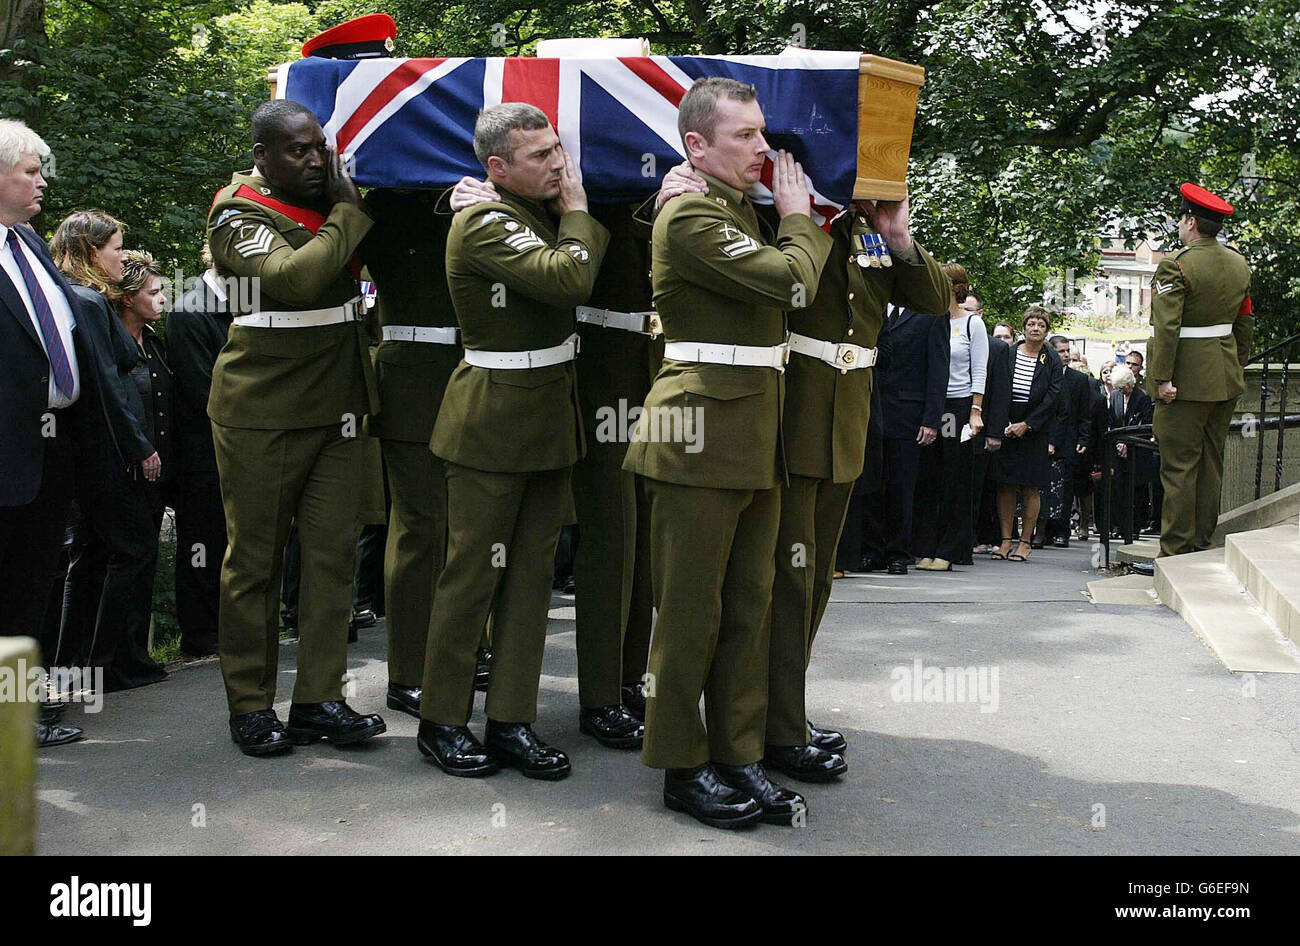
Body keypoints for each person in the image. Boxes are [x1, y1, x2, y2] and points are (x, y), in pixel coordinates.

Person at [623, 77, 833, 829]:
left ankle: (738, 754)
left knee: (749, 605)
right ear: (696, 146)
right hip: (697, 435)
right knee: (689, 614)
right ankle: (682, 766)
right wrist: (801, 219)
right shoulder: (687, 214)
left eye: (761, 132)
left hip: (750, 434)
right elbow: (790, 283)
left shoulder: (733, 206)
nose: (763, 148)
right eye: (744, 135)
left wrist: (781, 215)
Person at [417, 103, 609, 781]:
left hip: (547, 417)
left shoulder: (531, 213)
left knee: (530, 580)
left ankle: (511, 720)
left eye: (559, 149)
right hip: (492, 422)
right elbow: (569, 278)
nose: (558, 163)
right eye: (540, 156)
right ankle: (442, 720)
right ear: (495, 168)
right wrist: (580, 206)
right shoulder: (486, 220)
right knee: (471, 576)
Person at [207, 99, 385, 756]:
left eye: (318, 148)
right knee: (255, 564)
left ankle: (318, 699)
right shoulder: (239, 214)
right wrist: (349, 210)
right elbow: (296, 279)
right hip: (265, 411)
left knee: (333, 560)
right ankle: (250, 705)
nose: (314, 162)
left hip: (337, 406)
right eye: (296, 151)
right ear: (262, 155)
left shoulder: (322, 208)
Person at [0, 119, 143, 747]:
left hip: (52, 445)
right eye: (30, 171)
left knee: (33, 585)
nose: (41, 182)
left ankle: (20, 714)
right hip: (6, 444)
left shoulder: (28, 241)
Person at [52, 212, 167, 693]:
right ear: (91, 250)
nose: (122, 256)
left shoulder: (68, 294)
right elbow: (105, 382)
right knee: (133, 548)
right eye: (116, 248)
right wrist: (140, 447)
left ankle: (77, 664)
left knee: (92, 554)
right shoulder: (89, 301)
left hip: (83, 449)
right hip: (104, 451)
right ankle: (106, 665)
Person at [1147, 183, 1252, 557]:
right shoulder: (1239, 263)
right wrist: (1235, 365)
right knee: (1211, 462)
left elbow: (1167, 328)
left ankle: (1176, 548)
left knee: (1178, 467)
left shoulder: (1176, 264)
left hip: (1185, 380)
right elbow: (1245, 322)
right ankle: (1202, 541)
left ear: (1190, 222)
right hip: (1223, 375)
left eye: (1181, 218)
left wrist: (1162, 379)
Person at [166, 247, 232, 659]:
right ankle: (200, 634)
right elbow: (201, 390)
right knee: (202, 542)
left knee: (225, 542)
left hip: (232, 446)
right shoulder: (190, 311)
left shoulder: (237, 306)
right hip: (203, 453)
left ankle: (224, 628)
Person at [913, 262, 986, 570]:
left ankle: (950, 549)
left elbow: (980, 370)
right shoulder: (931, 320)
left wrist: (975, 411)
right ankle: (927, 546)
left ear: (955, 287)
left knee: (955, 478)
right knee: (930, 478)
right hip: (934, 405)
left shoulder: (972, 324)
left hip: (959, 406)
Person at [877, 303, 948, 574]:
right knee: (872, 483)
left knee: (901, 487)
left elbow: (938, 368)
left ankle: (899, 553)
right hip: (873, 408)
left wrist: (932, 420)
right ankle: (872, 551)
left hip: (909, 414)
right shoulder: (876, 305)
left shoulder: (931, 314)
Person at [990, 306, 1061, 562]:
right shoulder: (1008, 354)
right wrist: (1002, 424)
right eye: (1031, 324)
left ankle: (1025, 541)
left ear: (1047, 330)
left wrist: (1028, 424)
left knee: (1031, 487)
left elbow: (1053, 396)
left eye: (1041, 325)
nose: (1035, 328)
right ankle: (1005, 540)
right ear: (1023, 327)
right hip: (1007, 426)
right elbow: (997, 388)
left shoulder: (1051, 359)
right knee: (1005, 485)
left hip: (1035, 431)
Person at [1040, 334, 1093, 548]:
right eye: (1061, 351)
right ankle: (1042, 531)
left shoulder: (1079, 380)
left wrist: (1083, 437)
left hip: (1069, 440)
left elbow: (1084, 413)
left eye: (1067, 350)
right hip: (1044, 435)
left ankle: (1062, 530)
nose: (1066, 355)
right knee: (1043, 486)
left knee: (1065, 487)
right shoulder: (1043, 374)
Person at [1106, 364, 1155, 541]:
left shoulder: (1143, 398)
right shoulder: (1115, 396)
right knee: (1119, 488)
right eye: (1118, 388)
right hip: (1119, 450)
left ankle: (1134, 527)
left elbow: (1145, 424)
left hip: (1138, 450)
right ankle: (1119, 525)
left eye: (1124, 387)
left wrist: (1129, 444)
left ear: (1131, 383)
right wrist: (1119, 442)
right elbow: (1112, 420)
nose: (1122, 391)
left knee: (1137, 490)